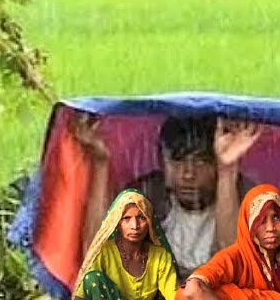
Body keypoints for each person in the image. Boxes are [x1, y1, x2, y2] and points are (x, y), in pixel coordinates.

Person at [73, 114, 262, 280]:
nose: (188, 174)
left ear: (215, 165)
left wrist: (227, 170)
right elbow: (94, 256)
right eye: (178, 162)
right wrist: (100, 164)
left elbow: (235, 267)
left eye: (200, 162)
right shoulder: (147, 194)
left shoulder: (243, 195)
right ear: (163, 163)